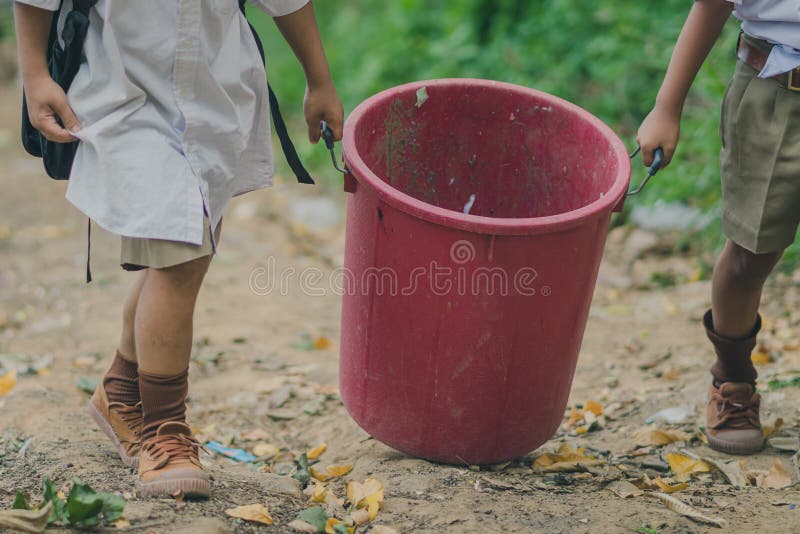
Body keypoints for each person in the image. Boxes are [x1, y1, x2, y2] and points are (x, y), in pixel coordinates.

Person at [14, 0, 344, 497]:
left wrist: (319, 81)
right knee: (180, 250)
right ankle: (164, 431)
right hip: (123, 98)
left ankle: (122, 389)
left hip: (218, 96)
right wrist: (36, 75)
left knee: (185, 256)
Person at [638, 0, 800, 454]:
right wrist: (666, 108)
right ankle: (732, 382)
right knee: (751, 254)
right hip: (775, 93)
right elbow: (711, 5)